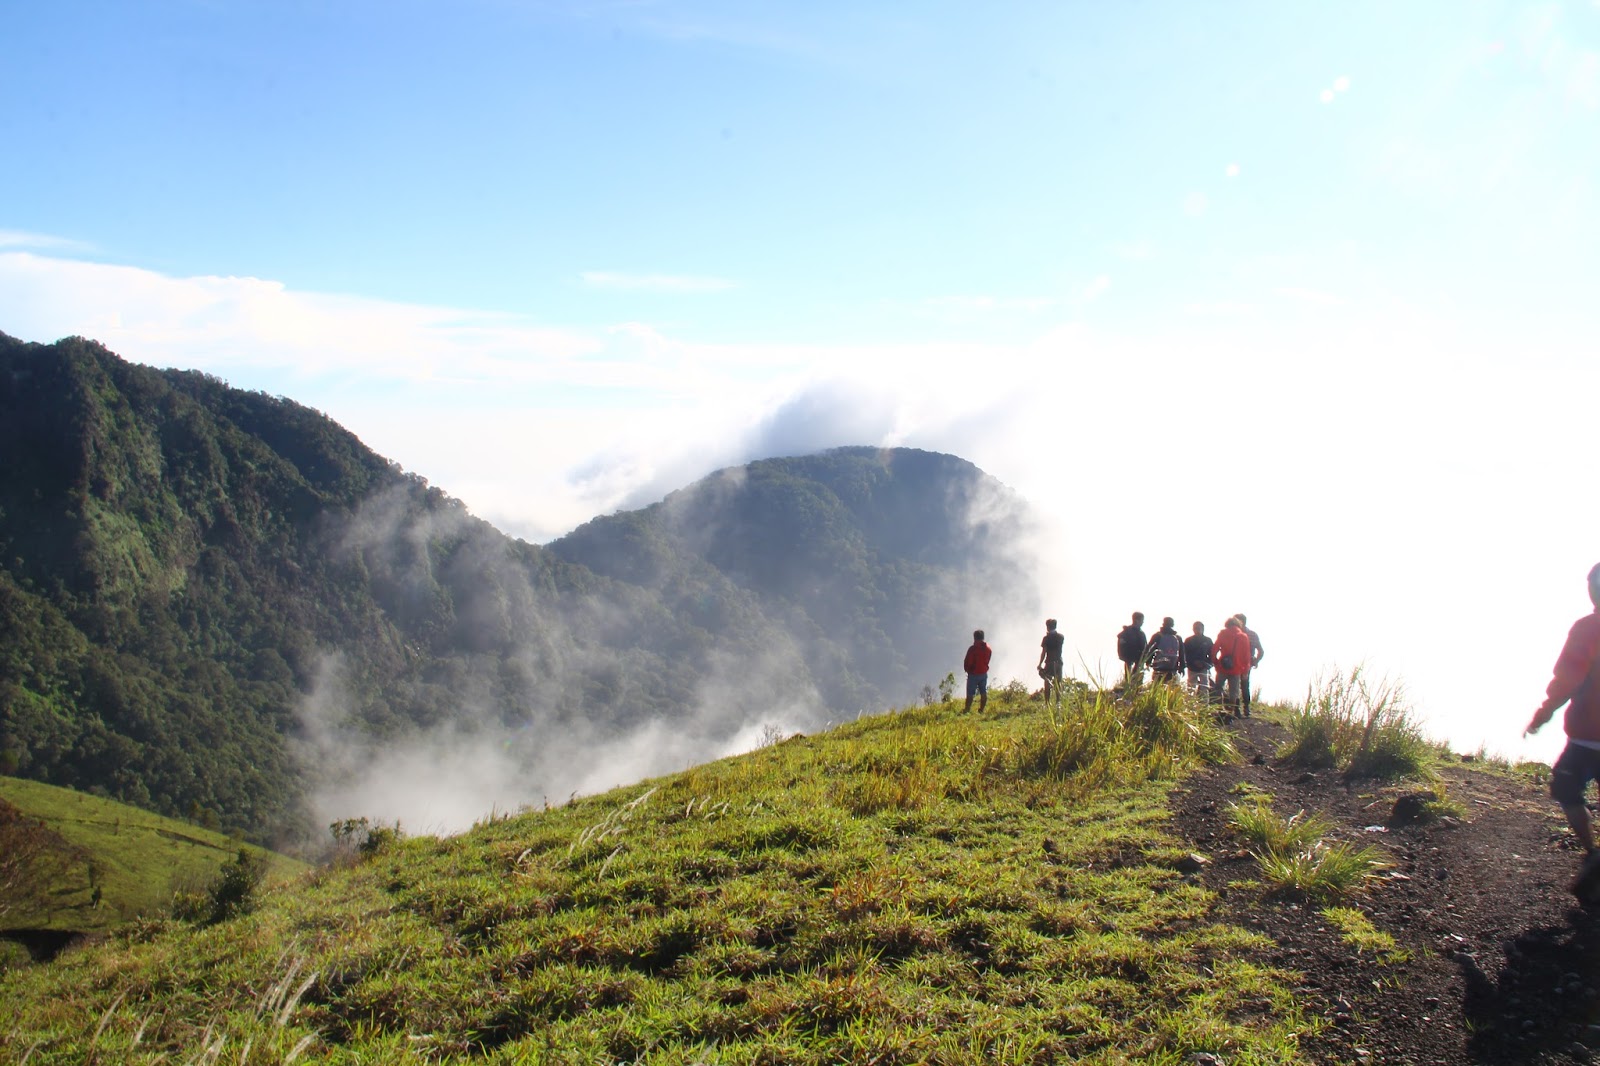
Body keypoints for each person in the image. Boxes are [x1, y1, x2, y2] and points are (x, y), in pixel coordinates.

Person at [1525, 564, 1600, 898]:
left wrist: (1543, 715)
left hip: (1587, 738)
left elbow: (1568, 679)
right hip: (1586, 736)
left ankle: (1592, 852)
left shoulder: (1588, 629)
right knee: (1566, 788)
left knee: (1567, 789)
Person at [1211, 616, 1253, 717]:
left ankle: (1219, 709)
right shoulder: (1243, 636)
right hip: (1237, 668)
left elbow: (1215, 649)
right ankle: (1230, 711)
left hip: (1223, 666)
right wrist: (1245, 670)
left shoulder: (1222, 634)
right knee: (1234, 691)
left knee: (1218, 688)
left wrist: (1215, 662)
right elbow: (1246, 656)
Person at [1236, 612, 1264, 713]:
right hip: (1235, 663)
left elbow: (1260, 650)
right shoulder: (1233, 633)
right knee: (1237, 684)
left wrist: (1256, 660)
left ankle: (1245, 707)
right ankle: (1237, 707)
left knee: (1244, 684)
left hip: (1246, 664)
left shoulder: (1252, 635)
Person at [962, 629, 992, 713]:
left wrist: (967, 670)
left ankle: (967, 710)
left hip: (973, 674)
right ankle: (981, 710)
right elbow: (988, 659)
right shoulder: (988, 649)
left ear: (974, 638)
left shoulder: (972, 649)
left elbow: (967, 661)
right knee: (983, 692)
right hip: (983, 673)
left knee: (970, 694)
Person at [1038, 618, 1065, 707]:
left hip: (1049, 662)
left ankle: (1047, 703)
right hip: (1059, 662)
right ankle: (1058, 702)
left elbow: (1044, 652)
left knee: (1047, 682)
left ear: (1048, 627)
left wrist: (1040, 664)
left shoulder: (1046, 639)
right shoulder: (1061, 637)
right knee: (1058, 682)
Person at [1147, 617, 1182, 684]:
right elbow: (1181, 653)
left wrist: (1148, 662)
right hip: (1172, 667)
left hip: (1158, 667)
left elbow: (1150, 650)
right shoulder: (1178, 638)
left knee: (1156, 687)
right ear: (1172, 625)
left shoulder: (1157, 636)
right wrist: (1182, 666)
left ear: (1163, 624)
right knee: (1171, 689)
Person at [1116, 612, 1148, 686]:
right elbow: (1145, 646)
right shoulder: (1138, 633)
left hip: (1130, 656)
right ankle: (1134, 685)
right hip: (1133, 656)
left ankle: (1130, 685)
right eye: (1142, 620)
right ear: (1137, 620)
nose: (1143, 622)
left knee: (1131, 670)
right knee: (1134, 671)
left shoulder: (1126, 631)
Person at [1183, 621, 1214, 695]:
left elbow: (1212, 654)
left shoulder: (1208, 640)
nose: (1197, 630)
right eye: (1195, 628)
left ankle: (1205, 705)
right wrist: (1191, 663)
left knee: (1205, 687)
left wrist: (1207, 664)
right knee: (1191, 688)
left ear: (1203, 629)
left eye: (1198, 628)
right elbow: (1185, 654)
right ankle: (1190, 704)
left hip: (1204, 667)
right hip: (1192, 667)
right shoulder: (1188, 640)